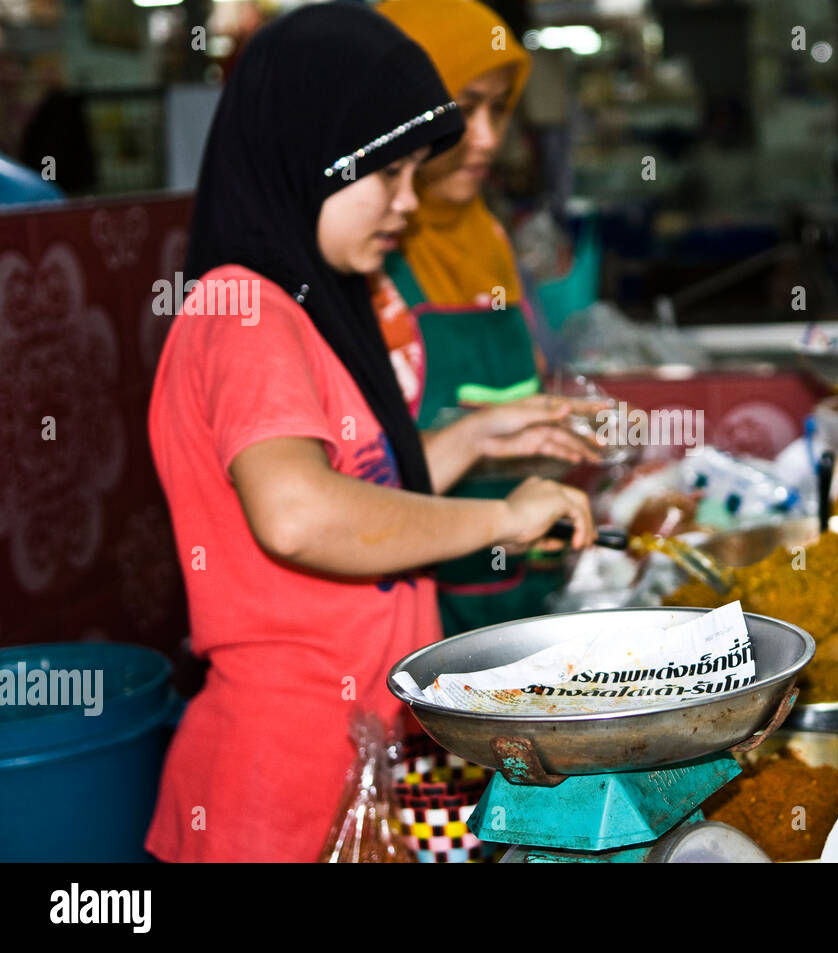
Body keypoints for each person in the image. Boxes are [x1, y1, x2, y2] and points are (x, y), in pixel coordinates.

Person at [145, 2, 596, 863]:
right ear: (310, 158)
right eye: (385, 176)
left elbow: (359, 487)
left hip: (349, 760)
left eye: (415, 173)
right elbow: (303, 515)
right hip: (272, 794)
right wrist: (501, 520)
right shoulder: (245, 311)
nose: (407, 204)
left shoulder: (307, 308)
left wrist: (476, 435)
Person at [373, 0, 576, 636]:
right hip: (420, 614)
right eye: (462, 109)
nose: (487, 137)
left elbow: (526, 377)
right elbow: (348, 490)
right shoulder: (365, 253)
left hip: (526, 591)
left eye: (497, 108)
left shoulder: (489, 236)